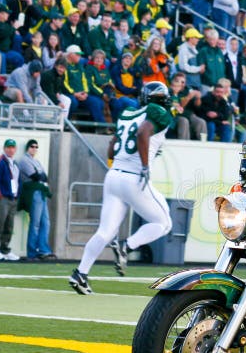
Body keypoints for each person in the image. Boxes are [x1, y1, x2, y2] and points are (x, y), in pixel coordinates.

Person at [69, 82, 174, 294]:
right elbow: (143, 133)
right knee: (164, 223)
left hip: (114, 175)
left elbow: (111, 149)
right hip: (133, 178)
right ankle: (127, 245)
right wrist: (145, 164)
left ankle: (80, 273)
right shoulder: (158, 112)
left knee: (105, 231)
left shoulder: (127, 114)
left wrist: (146, 151)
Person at [18, 139, 55, 261]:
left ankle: (43, 250)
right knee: (35, 223)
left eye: (36, 147)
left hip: (40, 192)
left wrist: (41, 177)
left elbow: (45, 177)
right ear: (28, 148)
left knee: (46, 222)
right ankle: (32, 253)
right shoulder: (24, 160)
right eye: (32, 146)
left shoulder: (36, 161)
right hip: (33, 192)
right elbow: (36, 176)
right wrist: (40, 176)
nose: (34, 149)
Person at [0, 138, 21, 262]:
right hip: (3, 198)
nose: (11, 149)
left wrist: (17, 196)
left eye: (13, 147)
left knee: (9, 226)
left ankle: (4, 249)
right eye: (8, 147)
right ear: (4, 148)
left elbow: (18, 181)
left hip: (12, 198)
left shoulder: (15, 163)